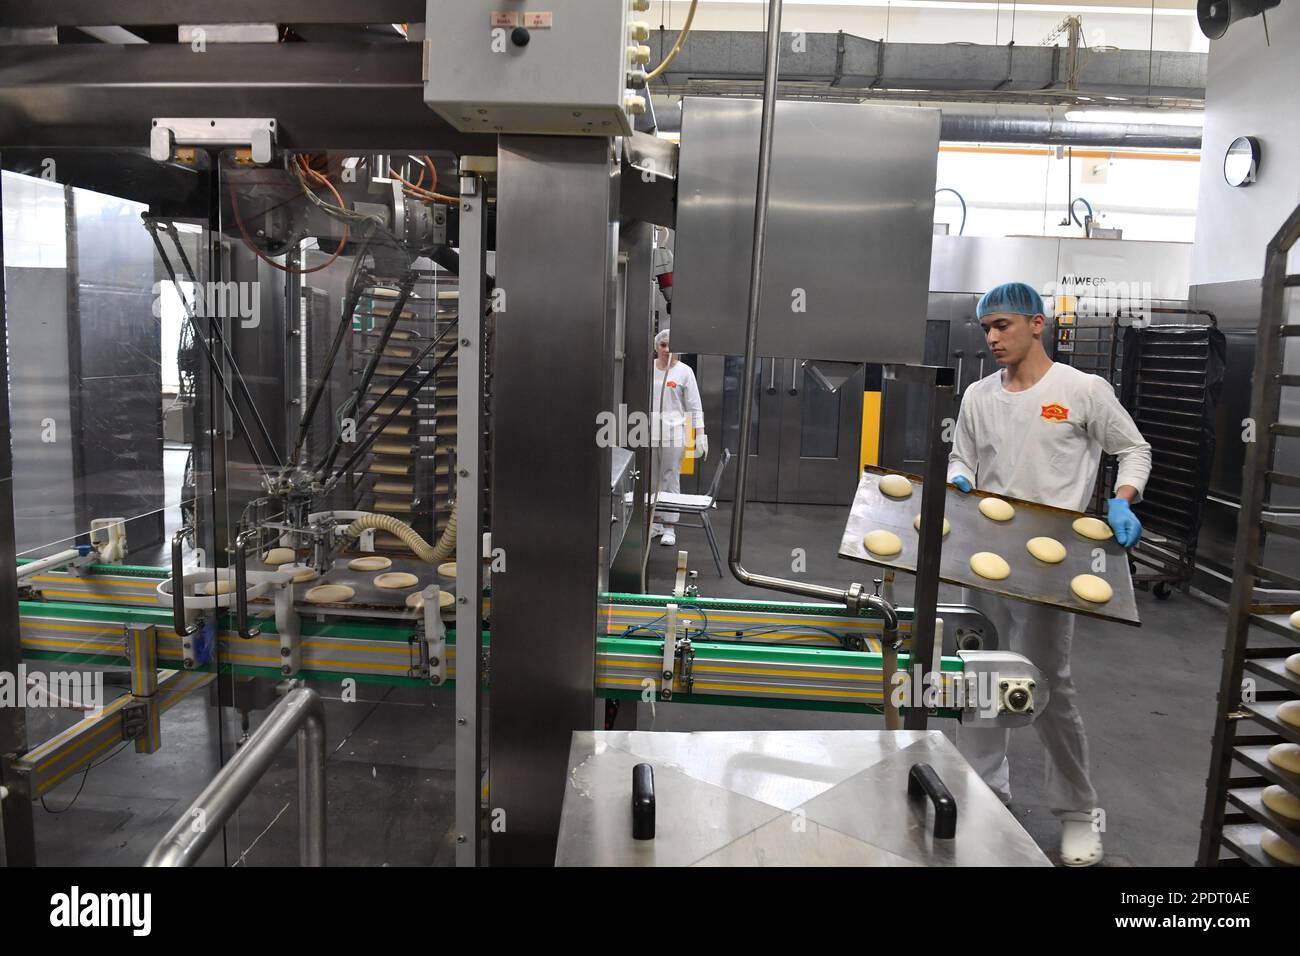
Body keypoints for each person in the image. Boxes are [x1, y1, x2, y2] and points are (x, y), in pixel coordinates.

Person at [947, 281, 1151, 867]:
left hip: (1050, 566)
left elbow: (1133, 450)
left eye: (1003, 325)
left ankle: (1079, 814)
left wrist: (1123, 499)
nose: (993, 338)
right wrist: (962, 476)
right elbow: (964, 454)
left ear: (1038, 324)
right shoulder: (979, 395)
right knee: (980, 673)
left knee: (1048, 687)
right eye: (987, 328)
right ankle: (985, 792)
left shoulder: (1081, 391)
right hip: (982, 555)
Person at [651, 329, 707, 548]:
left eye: (671, 346)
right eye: (663, 345)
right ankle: (655, 522)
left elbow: (694, 406)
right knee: (652, 478)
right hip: (649, 432)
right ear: (657, 347)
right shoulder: (650, 370)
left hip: (674, 433)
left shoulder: (685, 372)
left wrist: (700, 435)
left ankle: (670, 527)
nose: (667, 350)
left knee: (670, 477)